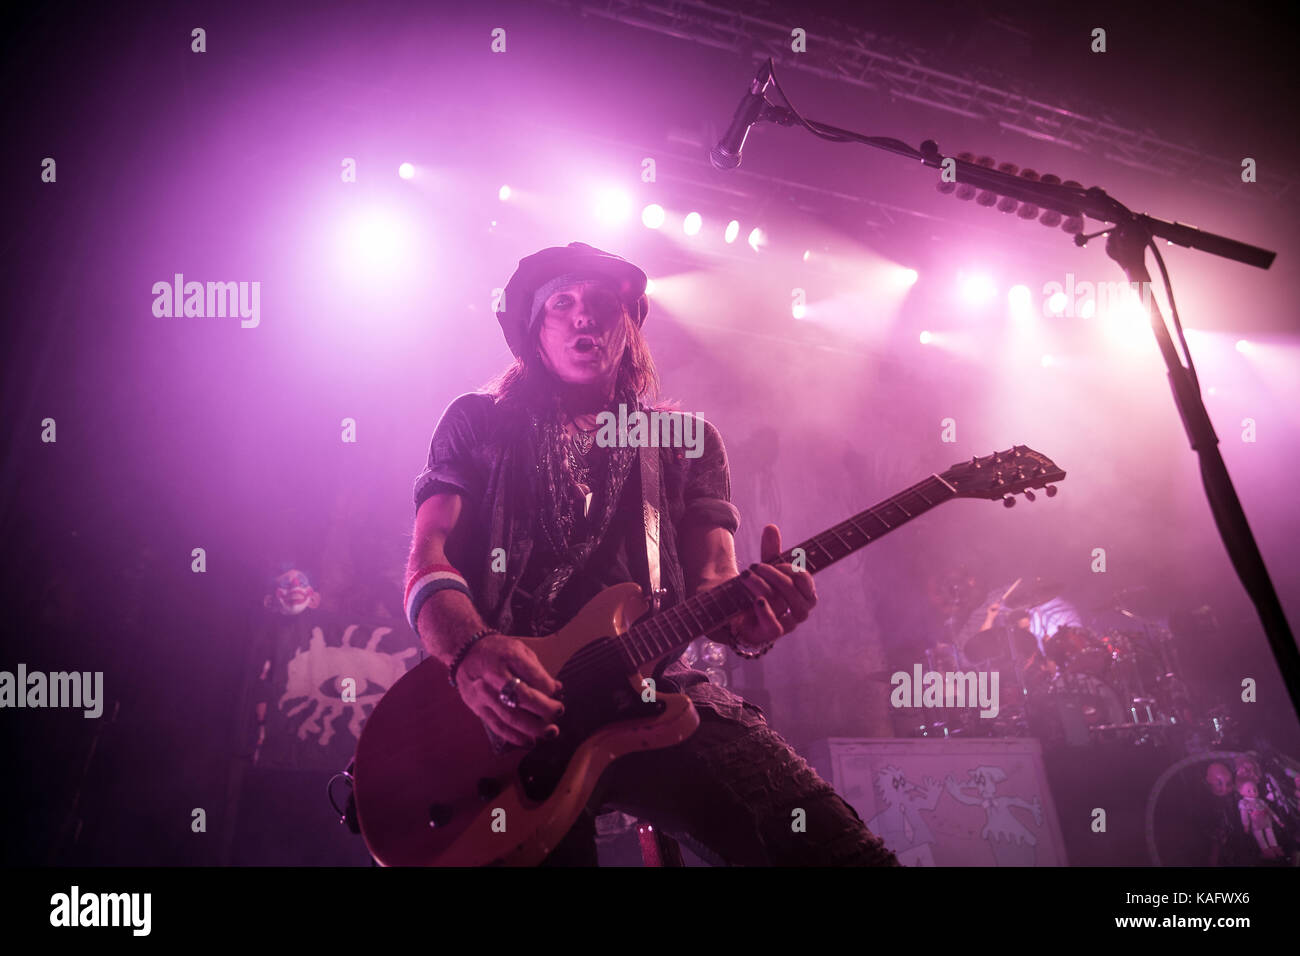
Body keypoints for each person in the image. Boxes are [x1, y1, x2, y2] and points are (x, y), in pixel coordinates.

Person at [403, 242, 899, 866]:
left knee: (836, 852)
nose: (584, 317)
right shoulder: (479, 423)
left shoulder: (688, 443)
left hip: (650, 690)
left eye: (603, 303)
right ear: (535, 331)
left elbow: (715, 578)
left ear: (630, 325)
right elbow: (431, 550)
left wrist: (748, 620)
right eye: (562, 303)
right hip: (505, 705)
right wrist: (470, 651)